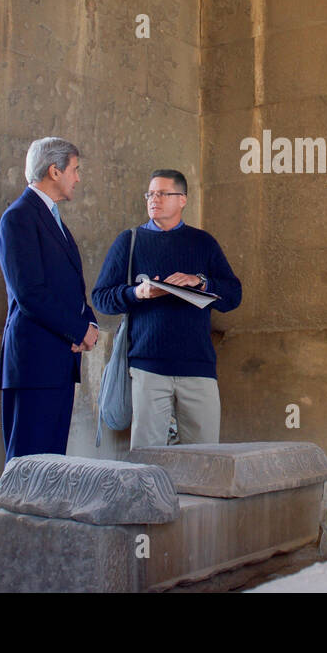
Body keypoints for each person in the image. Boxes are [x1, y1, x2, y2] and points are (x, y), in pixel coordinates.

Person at [92, 169, 241, 448]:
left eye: (163, 193)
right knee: (147, 459)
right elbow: (101, 297)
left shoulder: (203, 242)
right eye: (150, 193)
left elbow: (234, 294)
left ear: (182, 199)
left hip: (198, 366)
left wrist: (200, 281)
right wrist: (138, 292)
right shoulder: (129, 241)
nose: (154, 199)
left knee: (205, 459)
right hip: (148, 366)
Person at [0, 137, 99, 461]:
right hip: (33, 364)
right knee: (28, 470)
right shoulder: (19, 218)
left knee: (51, 473)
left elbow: (73, 289)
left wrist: (89, 322)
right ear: (55, 171)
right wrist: (78, 331)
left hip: (60, 363)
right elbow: (29, 293)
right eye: (75, 169)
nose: (78, 178)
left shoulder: (56, 221)